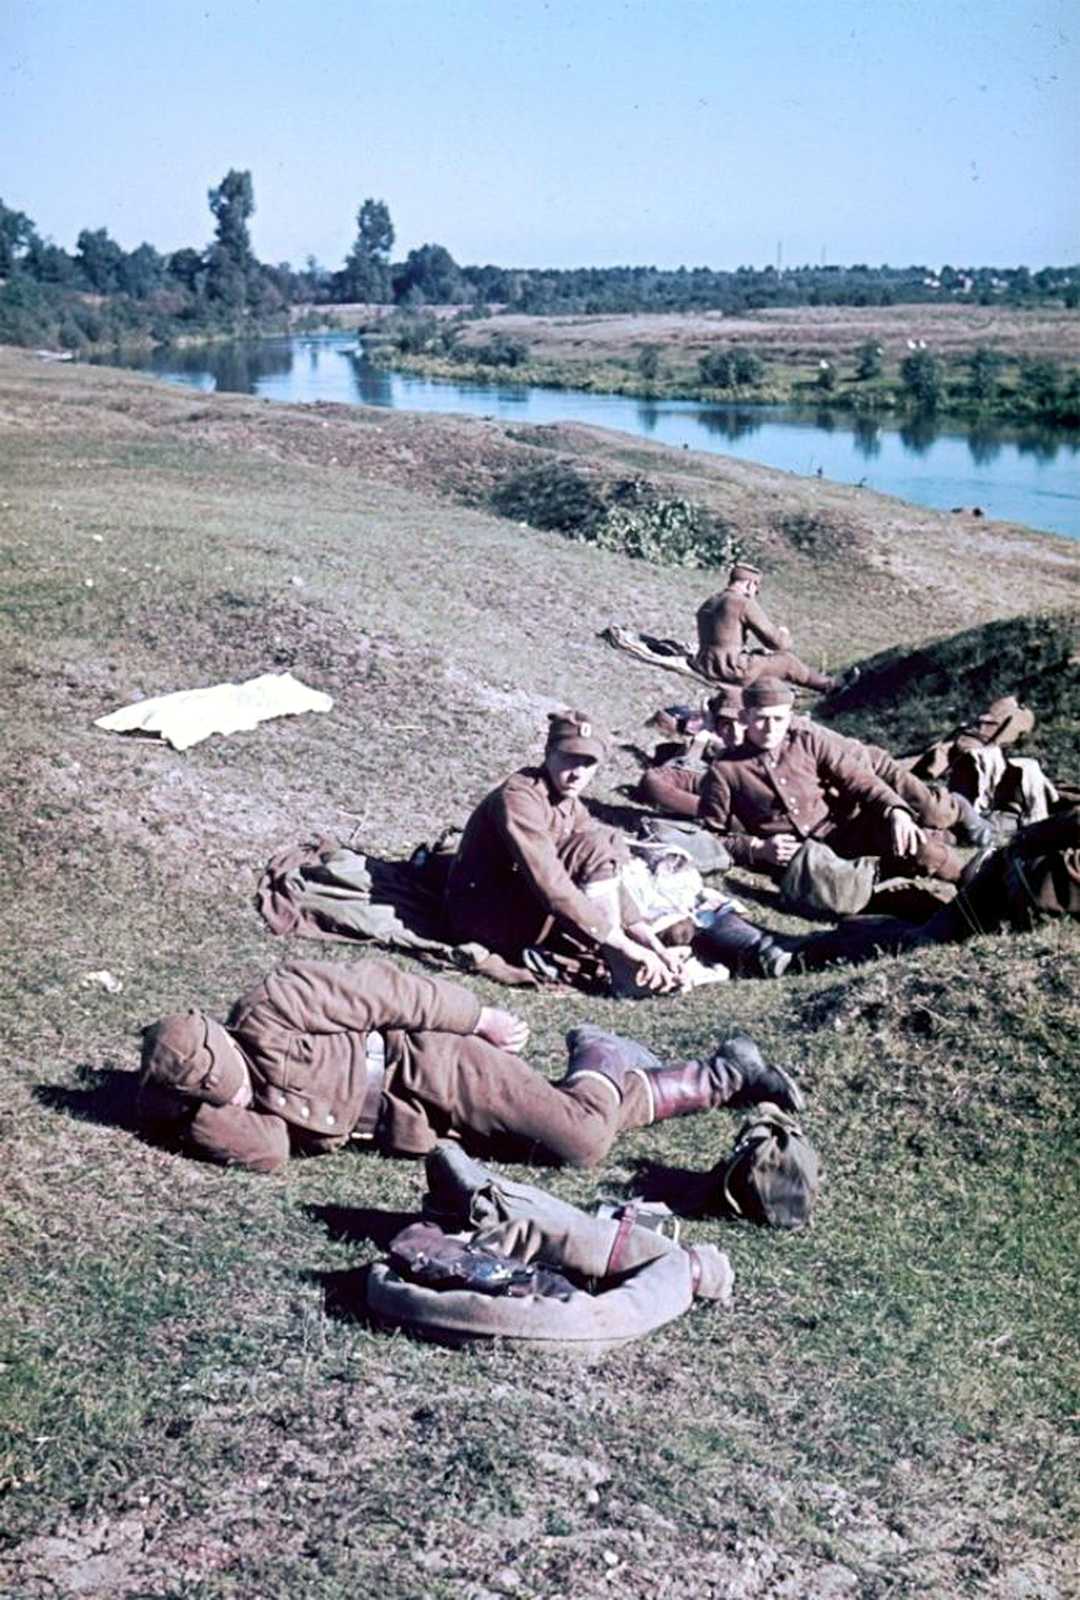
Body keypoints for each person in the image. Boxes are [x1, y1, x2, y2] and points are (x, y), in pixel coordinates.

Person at [137, 956, 803, 1174]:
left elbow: (389, 991)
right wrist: (209, 1125)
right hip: (414, 1122)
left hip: (433, 1060)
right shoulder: (224, 1107)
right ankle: (717, 1070)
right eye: (218, 1096)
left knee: (581, 1140)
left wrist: (476, 1017)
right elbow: (275, 1151)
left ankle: (633, 1061)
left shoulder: (271, 1006)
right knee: (550, 1143)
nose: (241, 1091)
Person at [445, 709, 686, 993]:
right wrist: (623, 945)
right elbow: (550, 883)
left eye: (589, 762)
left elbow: (604, 870)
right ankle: (620, 965)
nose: (577, 773)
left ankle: (621, 959)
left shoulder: (570, 804)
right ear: (548, 752)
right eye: (569, 758)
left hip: (520, 907)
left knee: (604, 842)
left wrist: (649, 942)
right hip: (484, 916)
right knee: (596, 844)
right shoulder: (520, 797)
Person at [640, 686, 992, 846]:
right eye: (724, 726)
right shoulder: (724, 765)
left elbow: (853, 773)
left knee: (932, 810)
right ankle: (943, 838)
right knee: (910, 839)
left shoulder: (796, 733)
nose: (734, 733)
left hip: (864, 766)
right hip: (830, 805)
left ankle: (956, 807)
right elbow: (662, 784)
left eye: (738, 723)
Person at [698, 676, 966, 884]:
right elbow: (709, 837)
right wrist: (758, 849)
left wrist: (896, 810)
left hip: (847, 833)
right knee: (854, 899)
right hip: (802, 862)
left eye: (779, 719)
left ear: (790, 717)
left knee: (921, 849)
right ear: (745, 718)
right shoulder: (724, 771)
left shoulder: (807, 742)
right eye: (761, 719)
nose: (771, 728)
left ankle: (974, 883)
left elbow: (860, 780)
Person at [693, 561, 838, 690]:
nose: (754, 593)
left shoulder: (709, 602)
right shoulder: (742, 603)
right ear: (750, 584)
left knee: (761, 655)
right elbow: (776, 642)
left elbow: (722, 642)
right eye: (755, 589)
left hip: (704, 664)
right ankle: (829, 685)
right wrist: (784, 635)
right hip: (731, 669)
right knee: (788, 662)